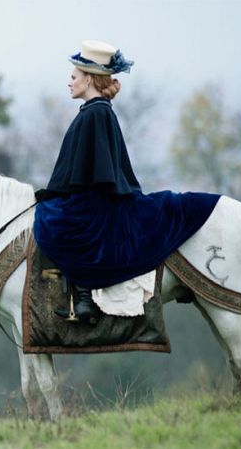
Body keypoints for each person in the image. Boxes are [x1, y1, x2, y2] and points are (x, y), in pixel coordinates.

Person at [33, 41, 220, 324]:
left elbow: (91, 177)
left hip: (98, 201)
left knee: (53, 223)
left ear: (88, 78)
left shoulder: (96, 113)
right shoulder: (93, 110)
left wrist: (55, 197)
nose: (69, 82)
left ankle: (84, 298)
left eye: (73, 77)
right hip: (95, 196)